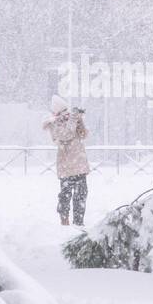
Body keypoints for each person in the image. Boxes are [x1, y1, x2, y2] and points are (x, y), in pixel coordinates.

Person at [43, 95, 89, 226]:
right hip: (67, 167)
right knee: (65, 196)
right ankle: (64, 221)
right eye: (64, 112)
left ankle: (79, 222)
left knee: (81, 195)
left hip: (79, 165)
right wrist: (73, 119)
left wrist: (79, 120)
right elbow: (66, 135)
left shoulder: (71, 120)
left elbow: (83, 134)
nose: (66, 114)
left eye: (67, 111)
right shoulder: (54, 124)